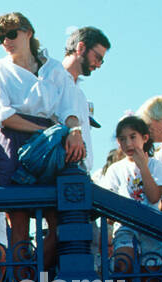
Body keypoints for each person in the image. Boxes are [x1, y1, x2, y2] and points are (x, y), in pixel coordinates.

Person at [0, 12, 85, 276]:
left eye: (11, 34)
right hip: (13, 144)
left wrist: (74, 130)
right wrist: (45, 130)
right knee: (17, 225)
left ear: (28, 32)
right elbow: (0, 116)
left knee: (59, 225)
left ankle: (35, 275)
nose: (6, 41)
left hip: (51, 146)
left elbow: (68, 109)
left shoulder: (54, 69)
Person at [103, 115, 162, 282]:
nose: (128, 143)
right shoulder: (115, 169)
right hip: (125, 227)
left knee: (152, 270)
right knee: (122, 265)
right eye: (122, 139)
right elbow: (107, 201)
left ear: (145, 138)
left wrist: (143, 166)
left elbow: (154, 197)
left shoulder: (157, 166)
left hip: (151, 227)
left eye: (133, 137)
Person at [60, 27, 110, 174]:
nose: (99, 65)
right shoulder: (52, 78)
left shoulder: (79, 93)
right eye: (98, 57)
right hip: (62, 173)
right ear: (80, 48)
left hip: (80, 174)